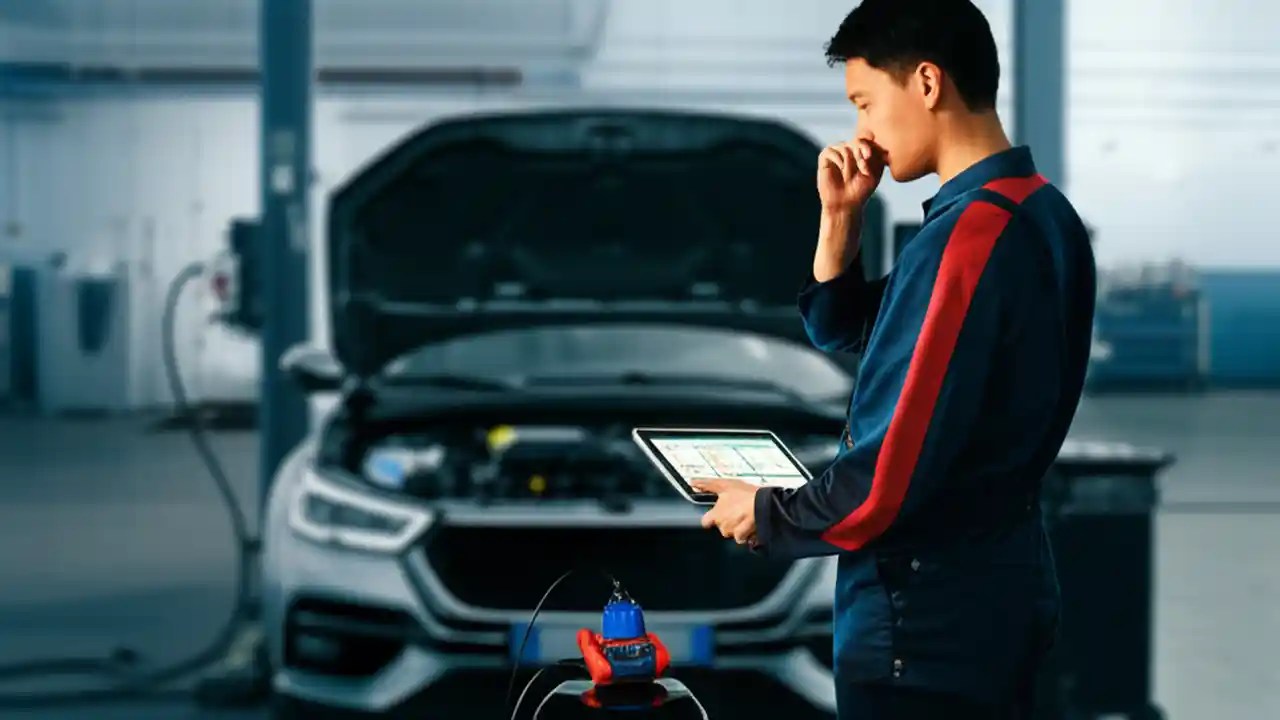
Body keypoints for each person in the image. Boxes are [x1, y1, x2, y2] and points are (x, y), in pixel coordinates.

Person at [688, 0, 1096, 717]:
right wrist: (840, 220)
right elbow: (858, 331)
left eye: (865, 102)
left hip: (925, 633)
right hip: (995, 597)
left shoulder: (967, 242)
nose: (861, 132)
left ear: (928, 84)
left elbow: (886, 478)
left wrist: (770, 511)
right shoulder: (1038, 213)